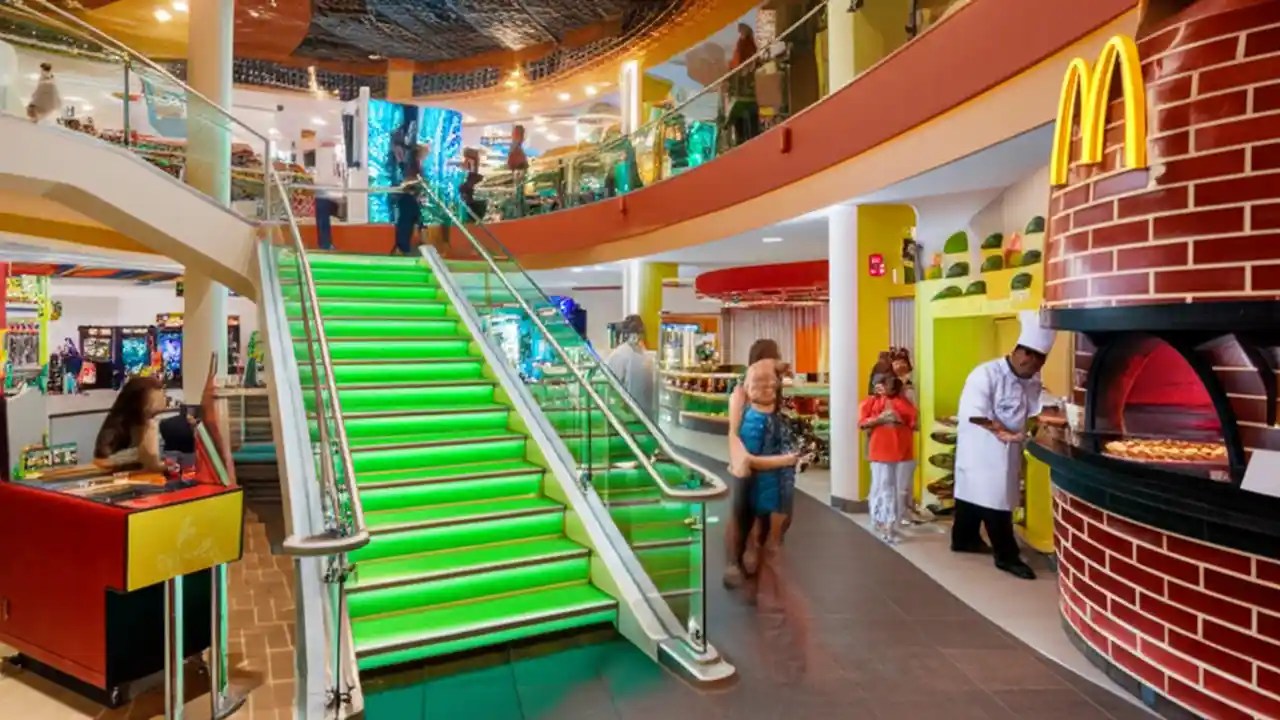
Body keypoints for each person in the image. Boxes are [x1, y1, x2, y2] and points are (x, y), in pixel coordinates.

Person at [951, 311, 1056, 580]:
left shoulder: (1030, 380)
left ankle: (964, 539)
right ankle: (1006, 556)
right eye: (1029, 356)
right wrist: (1004, 433)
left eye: (1039, 360)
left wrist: (1046, 420)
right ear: (1018, 351)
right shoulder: (985, 374)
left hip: (1007, 449)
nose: (1032, 364)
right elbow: (975, 414)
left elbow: (1036, 408)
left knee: (973, 495)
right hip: (981, 448)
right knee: (996, 500)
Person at [724, 338, 792, 587]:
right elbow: (734, 430)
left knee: (763, 507)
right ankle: (734, 559)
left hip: (768, 458)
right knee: (743, 508)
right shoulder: (742, 391)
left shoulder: (772, 392)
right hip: (746, 458)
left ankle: (752, 554)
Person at [738, 363, 801, 573]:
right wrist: (786, 460)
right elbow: (749, 459)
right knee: (763, 528)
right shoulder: (754, 419)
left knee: (769, 529)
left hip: (776, 483)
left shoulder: (772, 417)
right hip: (766, 482)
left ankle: (763, 555)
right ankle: (760, 556)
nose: (767, 387)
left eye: (771, 384)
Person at [859, 374, 918, 544]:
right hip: (881, 450)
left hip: (902, 450)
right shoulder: (871, 402)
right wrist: (880, 419)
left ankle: (892, 524)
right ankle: (884, 523)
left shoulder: (904, 402)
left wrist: (899, 418)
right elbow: (862, 423)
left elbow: (915, 423)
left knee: (899, 489)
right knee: (883, 487)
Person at [93, 375, 167, 472]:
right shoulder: (117, 426)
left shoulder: (150, 424)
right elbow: (101, 461)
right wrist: (137, 454)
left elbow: (152, 463)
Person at [604, 315, 656, 419]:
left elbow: (609, 384)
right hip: (635, 414)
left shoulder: (622, 354)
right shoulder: (623, 354)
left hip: (636, 414)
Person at [313, 141, 344, 251]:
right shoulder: (327, 156)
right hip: (323, 190)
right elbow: (328, 177)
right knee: (323, 219)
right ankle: (325, 244)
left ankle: (325, 243)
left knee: (322, 219)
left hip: (322, 189)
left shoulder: (327, 156)